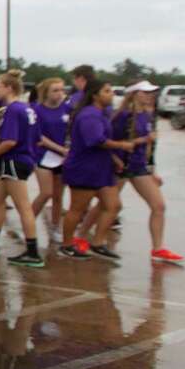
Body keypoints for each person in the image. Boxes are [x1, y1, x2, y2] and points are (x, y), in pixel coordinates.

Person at [0, 72, 43, 267]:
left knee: (23, 207)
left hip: (13, 160)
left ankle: (32, 251)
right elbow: (38, 138)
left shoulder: (12, 110)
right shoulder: (27, 109)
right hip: (22, 159)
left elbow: (10, 141)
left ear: (9, 88)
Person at [104, 81, 181, 262]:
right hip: (120, 166)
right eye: (145, 92)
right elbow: (106, 143)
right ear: (134, 94)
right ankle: (83, 237)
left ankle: (158, 248)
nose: (150, 95)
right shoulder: (121, 116)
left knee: (159, 206)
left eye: (152, 92)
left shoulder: (147, 115)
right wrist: (116, 160)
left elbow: (149, 147)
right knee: (107, 207)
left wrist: (151, 170)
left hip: (139, 167)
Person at [60, 79, 135, 260]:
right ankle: (67, 244)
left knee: (113, 205)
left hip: (101, 168)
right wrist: (122, 146)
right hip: (84, 168)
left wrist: (114, 157)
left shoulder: (101, 113)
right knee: (77, 209)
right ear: (95, 95)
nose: (112, 94)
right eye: (107, 91)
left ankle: (98, 243)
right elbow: (96, 140)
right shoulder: (89, 115)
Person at [30, 77, 71, 240]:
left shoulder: (67, 109)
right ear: (46, 93)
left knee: (58, 195)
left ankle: (55, 227)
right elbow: (39, 137)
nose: (60, 94)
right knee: (46, 192)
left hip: (63, 158)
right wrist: (60, 149)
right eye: (55, 90)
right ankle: (28, 222)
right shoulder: (37, 110)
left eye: (62, 90)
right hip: (43, 156)